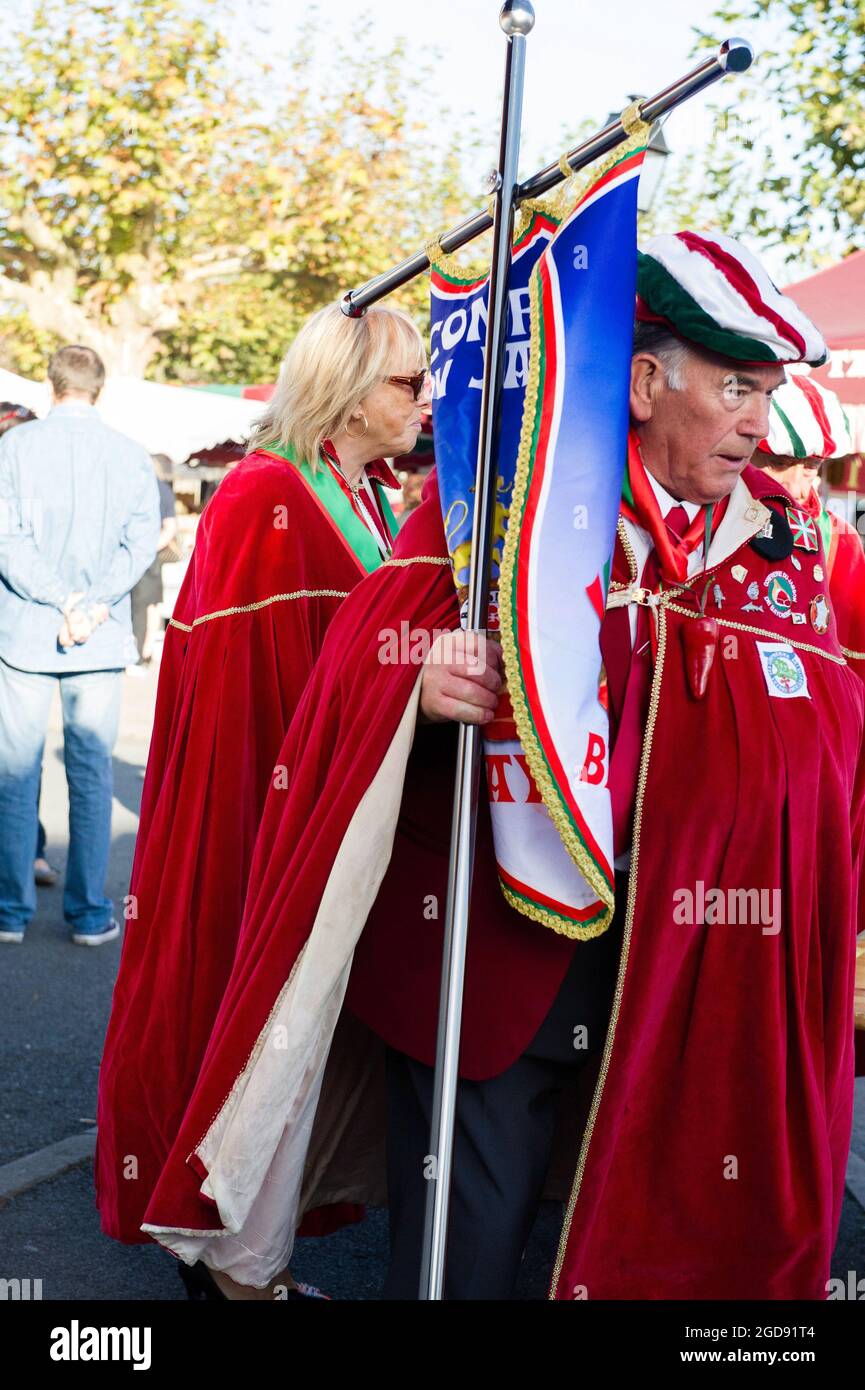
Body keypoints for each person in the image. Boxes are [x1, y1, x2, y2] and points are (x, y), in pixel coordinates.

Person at [119, 229, 864, 1303]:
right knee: (463, 1262)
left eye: (766, 393)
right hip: (491, 970)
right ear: (646, 381)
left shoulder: (776, 540)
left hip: (685, 980)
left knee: (632, 1242)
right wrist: (415, 691)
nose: (760, 421)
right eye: (739, 388)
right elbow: (349, 680)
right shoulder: (505, 513)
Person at [94, 301, 430, 1301]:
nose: (423, 401)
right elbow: (248, 710)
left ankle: (249, 1259)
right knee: (245, 1025)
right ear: (341, 386)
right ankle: (227, 1267)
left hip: (318, 822)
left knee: (298, 1042)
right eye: (405, 383)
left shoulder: (350, 489)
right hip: (260, 825)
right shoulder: (263, 495)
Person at [0, 347, 160, 946]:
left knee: (16, 772)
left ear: (52, 384)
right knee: (91, 774)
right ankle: (89, 914)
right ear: (99, 388)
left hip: (27, 629)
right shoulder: (127, 454)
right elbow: (141, 541)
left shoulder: (13, 448)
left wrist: (63, 600)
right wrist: (89, 604)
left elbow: (7, 539)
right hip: (95, 631)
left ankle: (9, 912)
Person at [753, 374, 865, 676]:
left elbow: (853, 664)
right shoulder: (706, 519)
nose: (793, 485)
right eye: (778, 463)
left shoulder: (841, 541)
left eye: (809, 467)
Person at [0, 401, 58, 886]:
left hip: (21, 632)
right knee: (20, 758)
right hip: (23, 631)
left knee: (20, 759)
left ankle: (31, 851)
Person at [128, 453, 179, 671]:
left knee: (142, 606)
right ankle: (144, 653)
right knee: (151, 606)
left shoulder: (145, 489)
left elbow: (169, 527)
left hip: (145, 556)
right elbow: (170, 527)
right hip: (149, 556)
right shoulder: (162, 489)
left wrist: (145, 548)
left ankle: (141, 655)